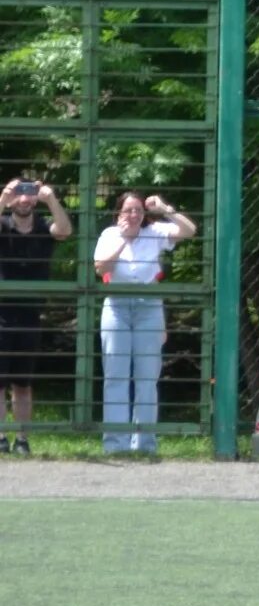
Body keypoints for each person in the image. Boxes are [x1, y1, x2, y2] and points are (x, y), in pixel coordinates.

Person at [92, 191, 195, 454]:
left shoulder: (155, 231)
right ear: (118, 214)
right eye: (128, 210)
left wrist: (165, 208)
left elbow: (189, 230)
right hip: (116, 306)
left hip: (149, 306)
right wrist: (124, 240)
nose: (134, 215)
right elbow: (101, 268)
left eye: (138, 210)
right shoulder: (109, 235)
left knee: (147, 377)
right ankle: (116, 443)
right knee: (116, 375)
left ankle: (145, 444)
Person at [0, 175, 72, 453]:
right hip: (2, 313)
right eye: (19, 192)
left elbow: (64, 230)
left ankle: (22, 440)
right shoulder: (4, 224)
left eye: (28, 193)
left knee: (23, 384)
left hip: (31, 315)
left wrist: (51, 198)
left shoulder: (43, 228)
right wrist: (3, 200)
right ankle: (1, 438)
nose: (24, 198)